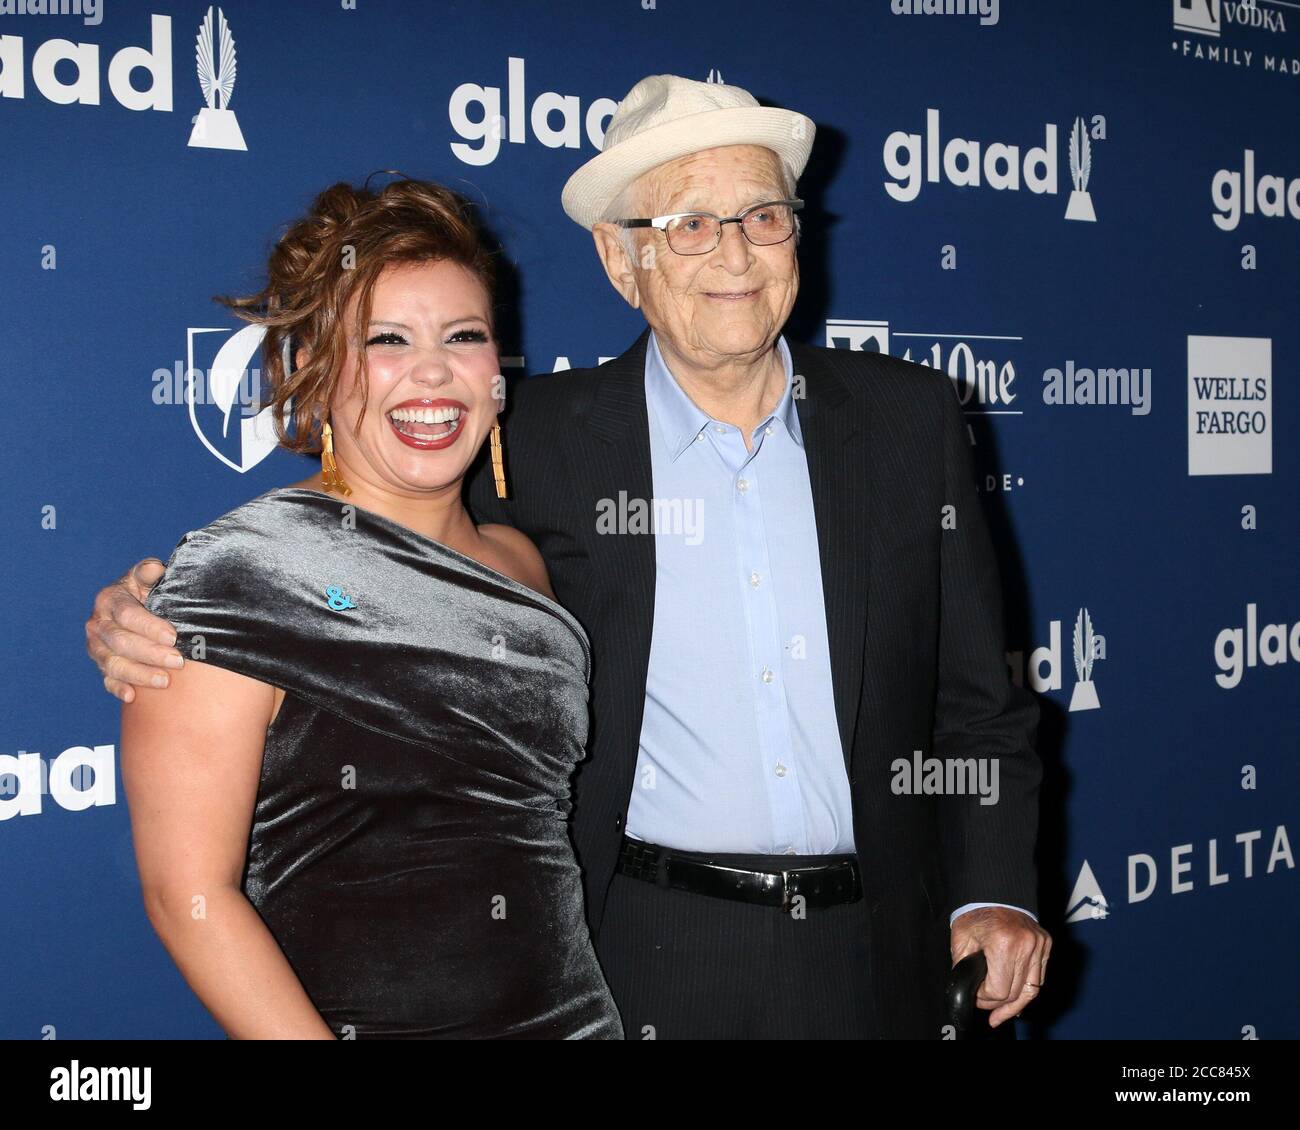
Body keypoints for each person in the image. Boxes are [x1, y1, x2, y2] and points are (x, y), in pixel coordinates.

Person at [89, 75, 1050, 1039]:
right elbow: (357, 548)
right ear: (620, 259)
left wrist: (994, 890)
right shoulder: (536, 447)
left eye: (763, 216)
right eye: (688, 224)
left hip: (879, 949)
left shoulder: (910, 422)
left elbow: (978, 703)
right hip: (630, 957)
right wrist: (149, 613)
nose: (735, 254)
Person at [112, 177, 623, 1039]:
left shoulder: (522, 562)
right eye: (386, 339)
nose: (433, 370)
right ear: (317, 370)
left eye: (464, 336)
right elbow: (186, 894)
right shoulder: (244, 572)